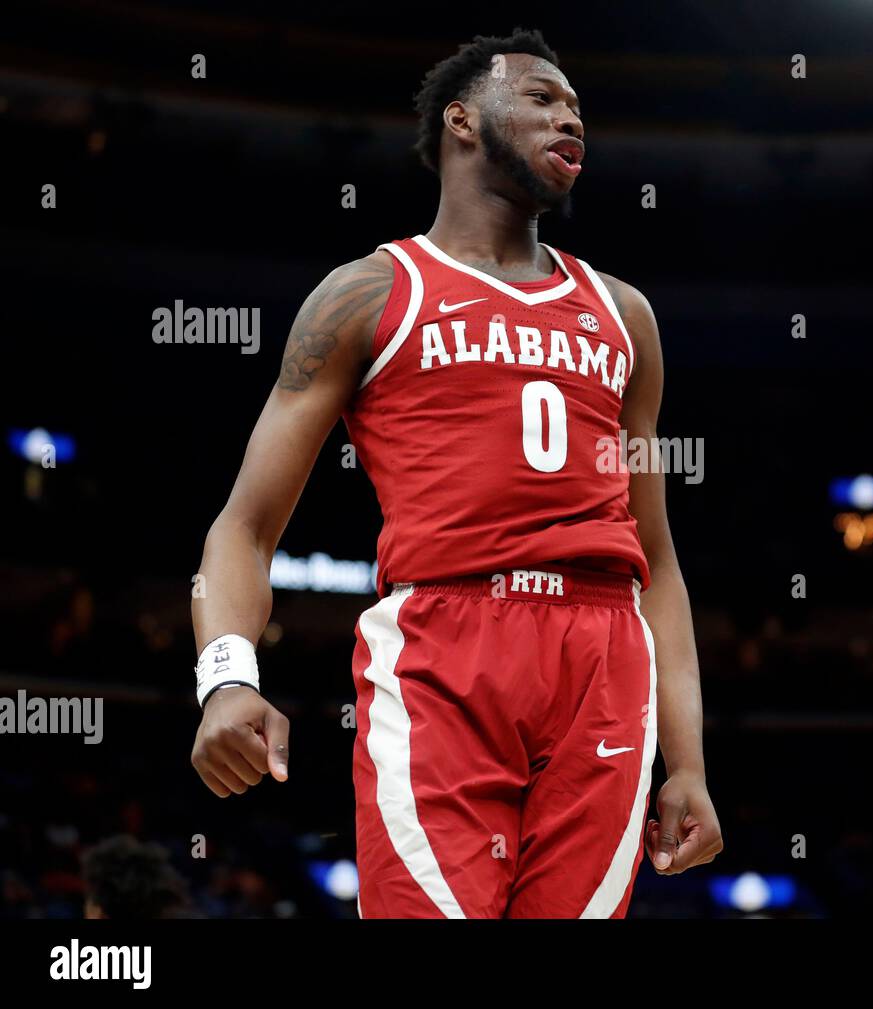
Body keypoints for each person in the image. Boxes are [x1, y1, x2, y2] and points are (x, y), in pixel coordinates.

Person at [190, 27, 721, 918]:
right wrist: (228, 677)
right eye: (544, 98)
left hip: (604, 651)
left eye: (579, 107)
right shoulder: (368, 292)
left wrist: (691, 763)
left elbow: (657, 560)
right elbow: (242, 527)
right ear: (462, 120)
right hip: (444, 644)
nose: (571, 118)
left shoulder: (625, 314)